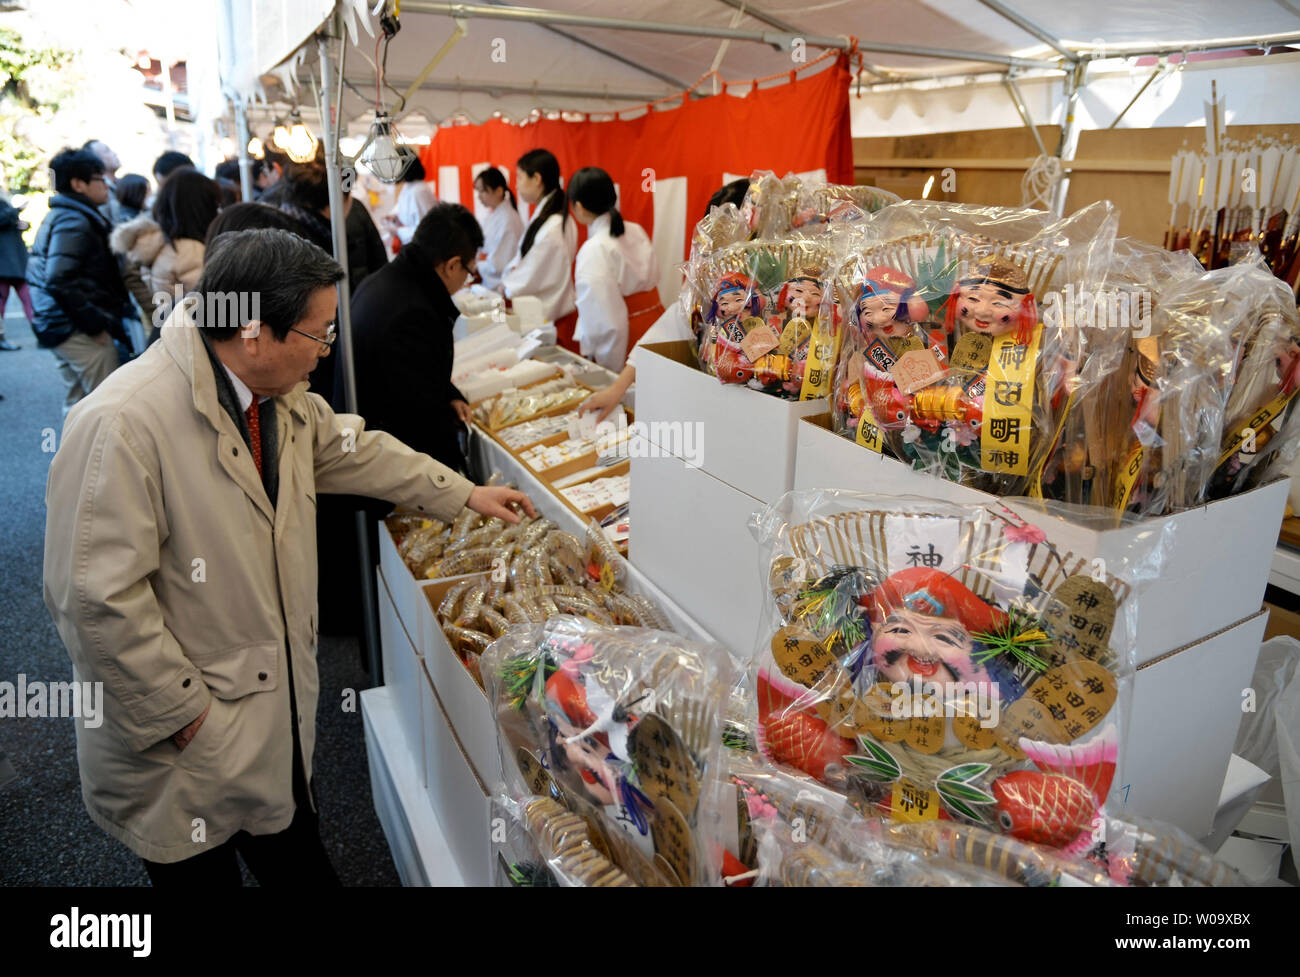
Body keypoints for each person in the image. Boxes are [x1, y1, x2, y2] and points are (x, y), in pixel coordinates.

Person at [42, 227, 535, 886]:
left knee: (299, 861)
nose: (326, 350)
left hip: (265, 727)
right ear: (253, 331)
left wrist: (464, 491)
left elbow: (355, 450)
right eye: (317, 333)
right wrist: (187, 719)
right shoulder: (122, 424)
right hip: (181, 752)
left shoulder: (276, 400)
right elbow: (94, 603)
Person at [580, 178, 749, 420]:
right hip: (710, 399)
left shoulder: (794, 292)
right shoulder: (707, 277)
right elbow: (670, 327)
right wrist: (618, 387)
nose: (716, 248)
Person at [26, 147, 133, 410]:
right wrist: (95, 324)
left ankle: (71, 452)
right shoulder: (74, 221)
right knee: (105, 407)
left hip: (59, 323)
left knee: (78, 404)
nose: (107, 184)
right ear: (78, 184)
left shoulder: (67, 215)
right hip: (76, 328)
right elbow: (59, 279)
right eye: (100, 178)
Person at [567, 166, 662, 372]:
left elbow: (607, 323)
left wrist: (609, 368)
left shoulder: (595, 249)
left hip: (628, 340)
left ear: (579, 207)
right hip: (657, 328)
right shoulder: (634, 229)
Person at [111, 167, 220, 342]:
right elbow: (213, 311)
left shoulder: (160, 244)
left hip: (174, 335)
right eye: (214, 203)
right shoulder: (189, 251)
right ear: (202, 207)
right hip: (196, 340)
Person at [502, 149, 577, 348]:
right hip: (547, 313)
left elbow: (534, 274)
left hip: (550, 317)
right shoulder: (549, 217)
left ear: (536, 179)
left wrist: (507, 285)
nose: (515, 185)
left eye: (519, 177)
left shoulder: (553, 225)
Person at [472, 166, 522, 292]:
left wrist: (475, 266)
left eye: (483, 191)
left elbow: (499, 263)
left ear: (499, 191)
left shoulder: (507, 219)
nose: (479, 197)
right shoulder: (495, 215)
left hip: (499, 285)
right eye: (478, 191)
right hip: (488, 281)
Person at [0, 189, 33, 349]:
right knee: (2, 302)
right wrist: (17, 209)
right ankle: (0, 338)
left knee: (29, 298)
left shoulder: (5, 203)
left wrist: (23, 225)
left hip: (16, 260)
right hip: (4, 262)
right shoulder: (6, 206)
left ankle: (42, 332)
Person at [381, 156, 436, 248]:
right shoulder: (408, 186)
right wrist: (393, 216)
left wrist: (397, 231)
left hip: (422, 248)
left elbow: (426, 230)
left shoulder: (419, 191)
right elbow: (401, 207)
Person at [83, 139, 123, 222]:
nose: (114, 154)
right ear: (95, 159)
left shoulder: (122, 184)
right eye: (107, 151)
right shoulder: (97, 190)